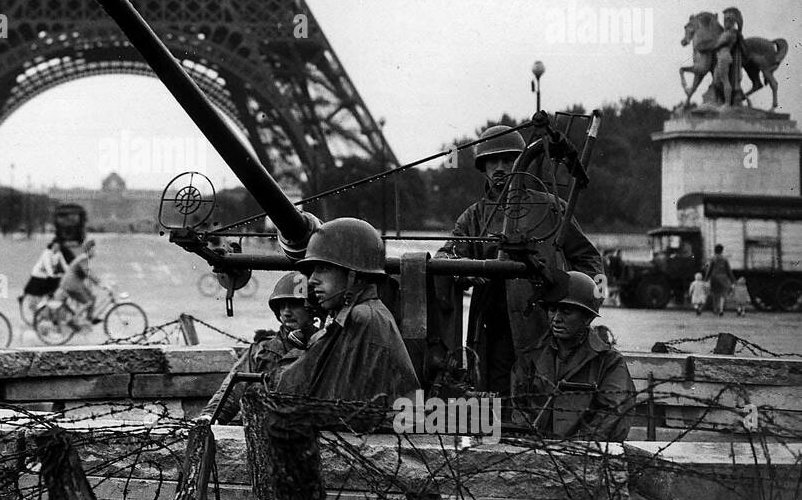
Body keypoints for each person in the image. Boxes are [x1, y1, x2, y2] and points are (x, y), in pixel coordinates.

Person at [436, 125, 603, 396]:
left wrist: (588, 305)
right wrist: (463, 271)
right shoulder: (473, 218)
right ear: (483, 167)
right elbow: (446, 256)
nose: (500, 168)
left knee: (543, 401)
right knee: (496, 403)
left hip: (544, 326)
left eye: (508, 159)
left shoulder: (551, 207)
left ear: (521, 163)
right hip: (492, 330)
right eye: (493, 161)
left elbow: (590, 260)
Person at [271, 218, 420, 404]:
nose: (311, 280)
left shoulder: (363, 317)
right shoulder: (359, 314)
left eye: (323, 269)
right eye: (313, 271)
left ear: (352, 274)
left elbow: (299, 387)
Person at [511, 272, 636, 441]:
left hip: (585, 455)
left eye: (566, 312)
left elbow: (611, 413)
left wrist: (575, 448)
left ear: (587, 318)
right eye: (552, 310)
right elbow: (519, 409)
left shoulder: (609, 362)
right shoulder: (530, 357)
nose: (556, 319)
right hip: (535, 450)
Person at [214, 271, 321, 423]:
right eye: (282, 306)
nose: (286, 312)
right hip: (265, 427)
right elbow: (233, 390)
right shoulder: (263, 349)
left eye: (295, 305)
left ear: (312, 308)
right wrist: (211, 418)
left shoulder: (325, 345)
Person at [57, 239, 99, 328]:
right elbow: (87, 273)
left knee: (93, 297)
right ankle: (72, 321)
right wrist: (99, 283)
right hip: (72, 284)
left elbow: (88, 272)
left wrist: (96, 281)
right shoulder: (84, 258)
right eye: (94, 249)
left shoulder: (85, 258)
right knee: (88, 303)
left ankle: (88, 320)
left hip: (75, 283)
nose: (95, 251)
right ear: (90, 249)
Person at [20, 240, 67, 317]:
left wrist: (69, 272)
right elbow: (47, 265)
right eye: (55, 246)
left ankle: (51, 307)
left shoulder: (59, 254)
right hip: (38, 276)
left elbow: (64, 265)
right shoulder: (46, 253)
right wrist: (53, 275)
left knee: (55, 289)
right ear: (52, 245)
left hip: (47, 276)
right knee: (40, 296)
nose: (57, 248)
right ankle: (40, 312)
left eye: (59, 246)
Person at [704, 245, 734, 318]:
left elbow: (709, 269)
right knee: (722, 295)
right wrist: (733, 280)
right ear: (722, 250)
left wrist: (706, 279)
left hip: (714, 278)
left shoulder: (713, 259)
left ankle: (715, 309)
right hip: (723, 278)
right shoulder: (725, 259)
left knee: (715, 295)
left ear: (715, 250)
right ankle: (721, 310)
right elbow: (728, 270)